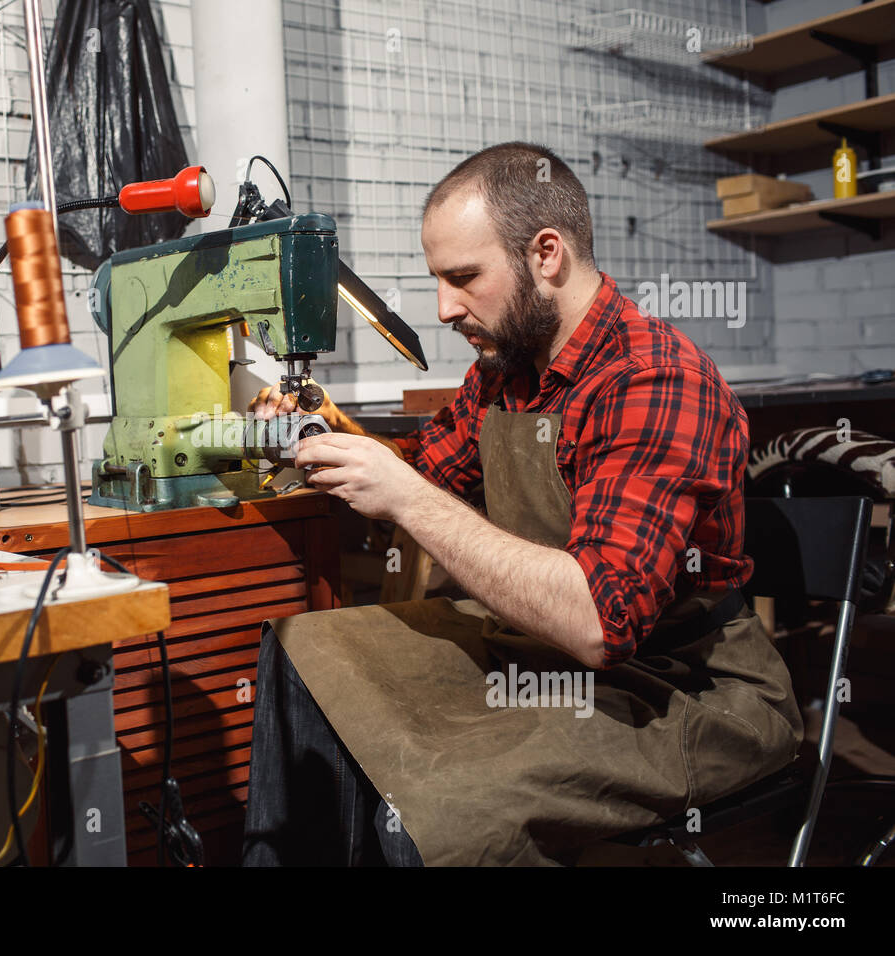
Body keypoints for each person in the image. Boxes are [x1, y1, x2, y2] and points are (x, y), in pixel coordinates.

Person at [240, 141, 803, 866]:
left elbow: (601, 622)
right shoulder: (507, 371)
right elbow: (423, 471)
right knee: (305, 649)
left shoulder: (654, 381)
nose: (444, 307)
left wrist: (410, 499)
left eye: (464, 277)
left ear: (546, 255)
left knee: (439, 812)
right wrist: (317, 436)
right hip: (537, 648)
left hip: (680, 684)